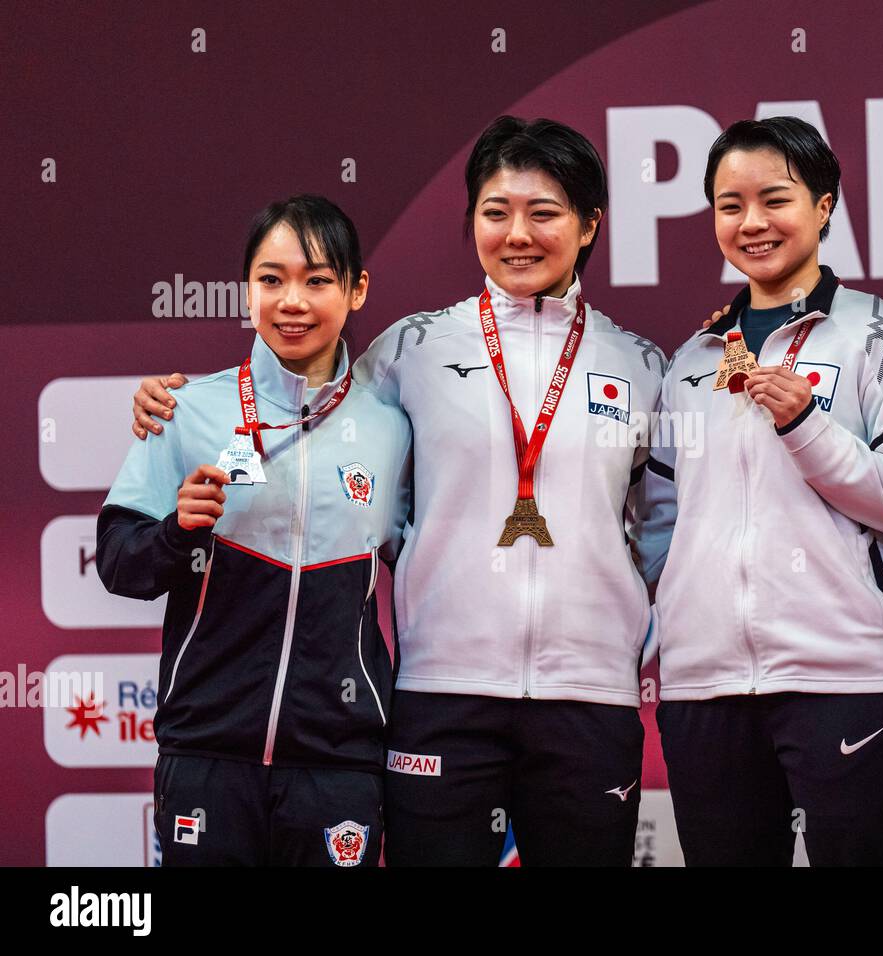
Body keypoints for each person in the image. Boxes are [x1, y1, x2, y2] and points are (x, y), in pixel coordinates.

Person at [132, 117, 665, 866]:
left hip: (592, 698)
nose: (518, 233)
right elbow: (304, 419)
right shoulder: (411, 351)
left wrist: (626, 634)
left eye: (543, 213)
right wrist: (182, 402)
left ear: (588, 226)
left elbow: (665, 526)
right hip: (440, 692)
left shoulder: (642, 365)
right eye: (495, 212)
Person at [638, 117, 883, 866]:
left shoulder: (879, 335)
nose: (752, 222)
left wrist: (807, 427)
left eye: (776, 198)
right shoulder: (693, 359)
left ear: (824, 205)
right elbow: (660, 525)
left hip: (848, 674)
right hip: (703, 685)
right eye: (730, 205)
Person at [100, 194, 413, 866]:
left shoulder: (392, 427)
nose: (292, 301)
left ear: (357, 289)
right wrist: (176, 533)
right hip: (207, 754)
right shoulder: (186, 410)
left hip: (340, 763)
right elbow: (119, 565)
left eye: (318, 280)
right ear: (247, 292)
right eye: (271, 280)